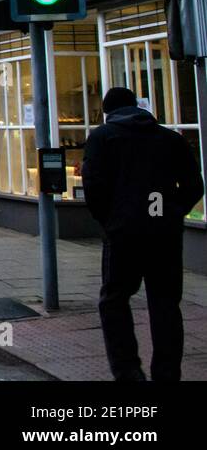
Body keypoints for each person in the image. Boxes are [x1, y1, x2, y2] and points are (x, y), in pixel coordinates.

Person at [81, 86, 204, 382]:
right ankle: (166, 373)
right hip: (163, 235)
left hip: (122, 234)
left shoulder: (101, 138)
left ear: (108, 113)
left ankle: (128, 371)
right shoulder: (170, 138)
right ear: (137, 107)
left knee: (114, 300)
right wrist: (171, 212)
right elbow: (194, 186)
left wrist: (110, 220)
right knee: (165, 305)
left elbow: (93, 188)